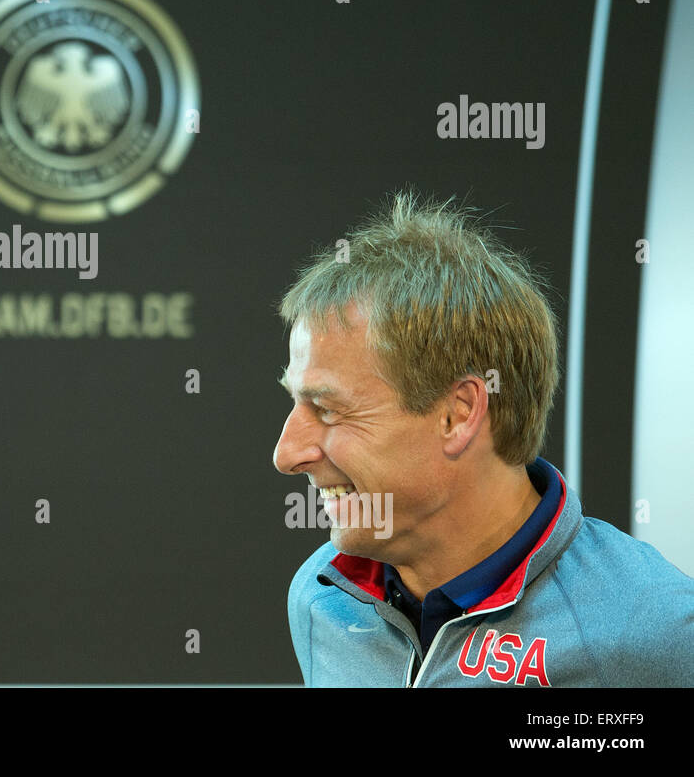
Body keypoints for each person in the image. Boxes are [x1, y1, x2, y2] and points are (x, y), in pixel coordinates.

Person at [275, 191, 694, 686]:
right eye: (296, 403)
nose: (287, 455)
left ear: (459, 413)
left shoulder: (653, 633)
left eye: (327, 408)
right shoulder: (322, 596)